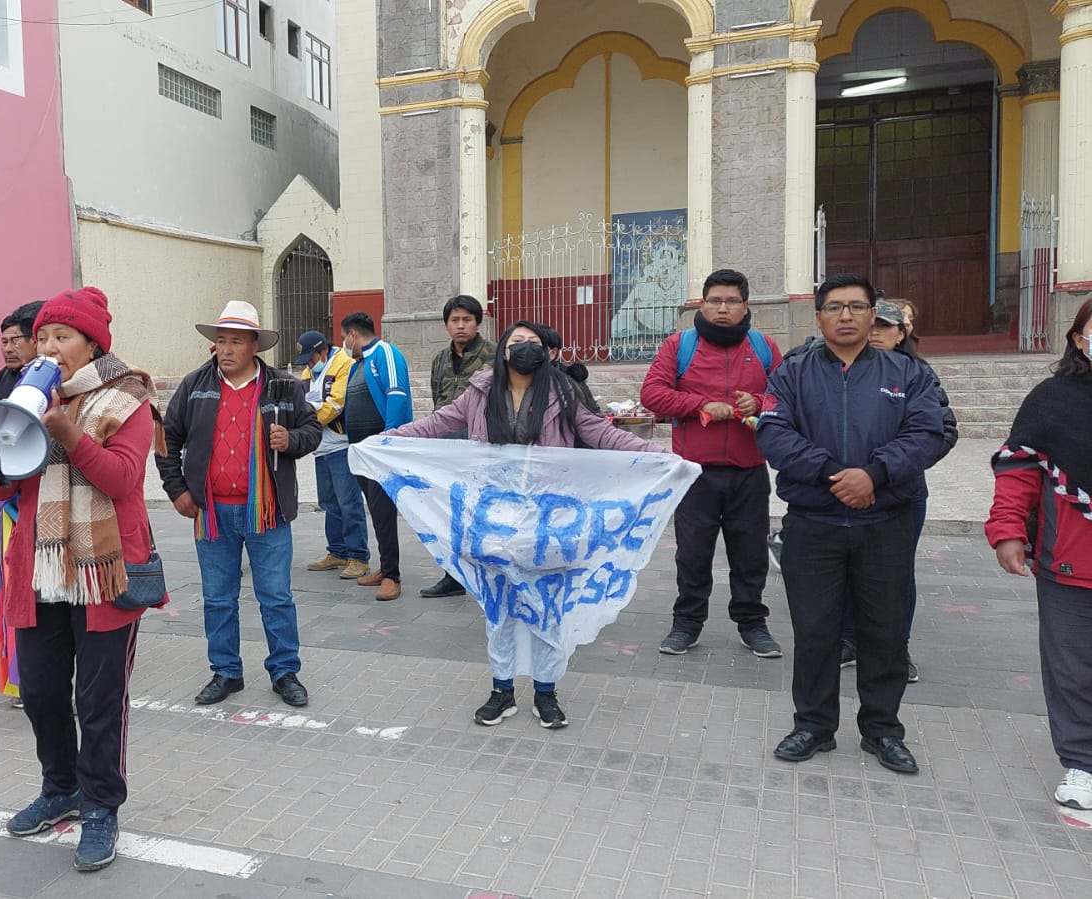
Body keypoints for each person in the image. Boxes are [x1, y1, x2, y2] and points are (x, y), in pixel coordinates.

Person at [385, 321, 669, 727]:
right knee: (499, 609)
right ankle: (502, 690)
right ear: (503, 350)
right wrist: (386, 441)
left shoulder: (563, 393)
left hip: (548, 521)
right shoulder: (480, 393)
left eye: (533, 343)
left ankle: (546, 692)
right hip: (493, 520)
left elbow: (601, 435)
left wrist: (657, 455)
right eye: (517, 342)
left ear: (547, 352)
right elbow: (436, 425)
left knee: (546, 609)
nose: (525, 348)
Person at [0, 287, 162, 873]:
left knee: (99, 699)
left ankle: (102, 803)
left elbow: (123, 479)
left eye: (63, 337)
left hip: (104, 571)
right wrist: (4, 439)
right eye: (43, 338)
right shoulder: (27, 396)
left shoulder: (128, 398)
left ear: (92, 343)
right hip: (41, 568)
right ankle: (60, 787)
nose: (51, 348)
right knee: (39, 691)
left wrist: (67, 434)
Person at [756, 273, 946, 775]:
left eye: (857, 307)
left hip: (885, 520)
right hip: (813, 522)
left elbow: (929, 433)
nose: (846, 316)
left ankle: (883, 730)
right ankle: (814, 726)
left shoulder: (908, 374)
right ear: (817, 317)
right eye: (835, 307)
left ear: (873, 316)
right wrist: (832, 474)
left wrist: (875, 474)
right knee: (815, 632)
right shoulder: (791, 374)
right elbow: (773, 433)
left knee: (883, 633)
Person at [157, 301, 322, 707]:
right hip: (211, 513)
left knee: (276, 597)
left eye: (235, 342)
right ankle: (226, 672)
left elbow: (313, 429)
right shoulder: (195, 385)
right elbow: (166, 439)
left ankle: (285, 672)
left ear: (254, 346)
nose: (226, 349)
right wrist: (176, 489)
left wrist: (292, 441)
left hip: (267, 512)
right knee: (217, 598)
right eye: (221, 341)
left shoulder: (283, 386)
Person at [640, 269, 783, 659]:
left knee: (750, 554)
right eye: (714, 300)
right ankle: (686, 623)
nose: (723, 308)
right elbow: (652, 393)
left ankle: (753, 623)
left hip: (749, 470)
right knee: (692, 553)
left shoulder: (765, 347)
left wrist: (761, 402)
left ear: (746, 305)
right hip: (694, 474)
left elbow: (786, 396)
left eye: (731, 301)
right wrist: (699, 405)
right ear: (702, 304)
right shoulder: (680, 345)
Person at [987, 297, 1092, 811]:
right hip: (1072, 562)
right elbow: (1018, 472)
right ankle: (1082, 762)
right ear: (1079, 338)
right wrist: (1008, 530)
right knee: (1073, 665)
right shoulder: (1052, 399)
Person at [841, 300, 959, 680]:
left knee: (895, 576)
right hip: (842, 492)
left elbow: (941, 433)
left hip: (900, 496)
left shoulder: (916, 375)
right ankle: (847, 639)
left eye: (885, 327)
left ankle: (896, 649)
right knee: (843, 569)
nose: (875, 333)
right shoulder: (834, 371)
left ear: (902, 332)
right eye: (870, 325)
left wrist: (888, 469)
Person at [421, 296, 495, 598]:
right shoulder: (439, 360)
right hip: (447, 447)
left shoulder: (494, 355)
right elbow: (438, 402)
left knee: (483, 512)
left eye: (466, 319)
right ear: (447, 324)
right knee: (450, 512)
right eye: (455, 320)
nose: (460, 326)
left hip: (481, 445)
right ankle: (453, 574)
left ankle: (490, 573)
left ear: (478, 322)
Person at [0, 301, 46, 638]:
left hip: (33, 495)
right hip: (5, 488)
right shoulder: (4, 378)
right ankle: (2, 605)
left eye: (15, 340)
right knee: (2, 553)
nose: (9, 348)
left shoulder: (46, 382)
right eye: (3, 341)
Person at [341, 311, 414, 601]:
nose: (344, 343)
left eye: (344, 337)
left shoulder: (386, 353)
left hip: (380, 452)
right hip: (361, 452)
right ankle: (384, 568)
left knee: (384, 513)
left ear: (353, 334)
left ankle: (392, 577)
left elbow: (397, 397)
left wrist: (387, 442)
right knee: (376, 510)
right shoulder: (358, 364)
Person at [295, 330, 370, 581]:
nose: (308, 365)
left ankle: (359, 557)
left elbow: (337, 404)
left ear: (323, 351)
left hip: (341, 445)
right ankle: (337, 552)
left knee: (349, 502)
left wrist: (306, 422)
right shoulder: (309, 371)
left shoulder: (344, 365)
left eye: (311, 359)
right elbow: (300, 401)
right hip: (320, 446)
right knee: (329, 503)